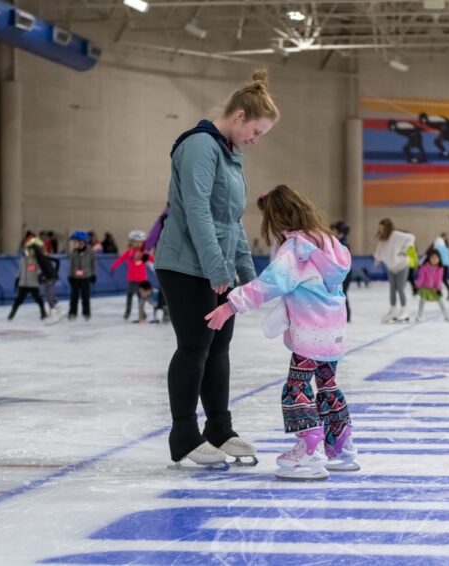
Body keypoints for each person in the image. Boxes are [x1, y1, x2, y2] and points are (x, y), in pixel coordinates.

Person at [154, 69, 279, 469]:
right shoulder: (199, 147)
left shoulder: (230, 155)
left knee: (218, 349)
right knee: (194, 348)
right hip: (186, 266)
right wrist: (215, 268)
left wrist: (246, 274)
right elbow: (196, 213)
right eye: (256, 131)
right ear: (239, 116)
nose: (256, 140)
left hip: (215, 267)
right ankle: (185, 434)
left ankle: (219, 428)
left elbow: (231, 221)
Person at [205, 184, 357, 481]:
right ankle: (341, 448)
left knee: (297, 388)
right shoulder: (329, 241)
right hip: (334, 330)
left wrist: (229, 305)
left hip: (309, 331)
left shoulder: (296, 249)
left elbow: (269, 284)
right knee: (327, 384)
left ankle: (309, 451)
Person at [374, 218, 416, 323]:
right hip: (391, 267)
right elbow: (379, 250)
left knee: (400, 289)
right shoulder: (382, 238)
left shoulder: (396, 235)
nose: (380, 230)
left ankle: (404, 310)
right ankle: (393, 310)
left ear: (387, 227)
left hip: (402, 265)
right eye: (379, 227)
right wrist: (377, 260)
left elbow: (411, 237)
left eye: (382, 228)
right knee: (392, 288)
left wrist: (403, 251)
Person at [111, 230, 154, 321]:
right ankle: (128, 311)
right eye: (134, 242)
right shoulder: (129, 252)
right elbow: (121, 259)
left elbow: (153, 259)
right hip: (131, 278)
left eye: (139, 242)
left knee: (141, 297)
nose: (136, 244)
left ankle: (143, 313)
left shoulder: (144, 253)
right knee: (129, 295)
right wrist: (113, 266)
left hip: (141, 279)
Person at [8, 240, 47, 321]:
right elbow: (20, 270)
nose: (30, 252)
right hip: (23, 284)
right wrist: (17, 280)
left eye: (32, 250)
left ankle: (43, 312)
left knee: (38, 299)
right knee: (19, 299)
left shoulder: (36, 260)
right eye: (29, 250)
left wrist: (40, 276)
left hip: (33, 284)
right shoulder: (22, 260)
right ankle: (12, 313)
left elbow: (39, 270)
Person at [415, 249, 449, 322]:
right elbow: (421, 278)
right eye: (432, 258)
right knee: (422, 301)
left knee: (441, 302)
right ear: (429, 258)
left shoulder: (440, 268)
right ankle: (419, 315)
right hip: (425, 288)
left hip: (434, 288)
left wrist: (438, 289)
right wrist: (417, 286)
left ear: (439, 259)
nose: (434, 260)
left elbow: (438, 279)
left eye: (436, 258)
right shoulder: (424, 267)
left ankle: (446, 315)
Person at [68, 231, 96, 321]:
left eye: (77, 242)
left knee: (85, 297)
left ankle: (86, 313)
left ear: (83, 242)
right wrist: (70, 276)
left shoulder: (90, 252)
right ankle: (72, 313)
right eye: (75, 242)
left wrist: (93, 274)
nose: (76, 244)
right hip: (75, 278)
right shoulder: (73, 253)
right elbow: (71, 265)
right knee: (74, 297)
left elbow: (93, 264)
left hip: (85, 278)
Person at [331, 220, 353, 322]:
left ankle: (346, 317)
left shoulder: (343, 244)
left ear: (341, 233)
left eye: (334, 231)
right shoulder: (337, 243)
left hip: (345, 274)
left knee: (343, 293)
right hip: (340, 273)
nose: (332, 233)